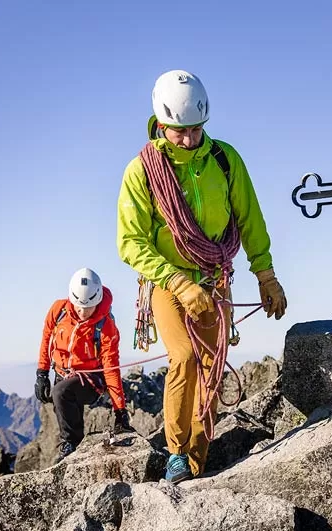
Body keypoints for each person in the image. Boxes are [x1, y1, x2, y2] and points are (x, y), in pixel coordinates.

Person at [117, 69, 287, 485]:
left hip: (214, 278)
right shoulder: (143, 171)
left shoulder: (224, 160)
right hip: (166, 282)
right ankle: (175, 453)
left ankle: (198, 459)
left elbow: (249, 220)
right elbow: (131, 242)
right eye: (180, 132)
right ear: (161, 123)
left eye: (195, 129)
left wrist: (266, 275)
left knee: (212, 368)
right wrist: (177, 282)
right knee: (185, 358)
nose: (189, 138)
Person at [34, 267, 133, 462]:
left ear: (97, 301)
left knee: (61, 393)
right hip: (61, 373)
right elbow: (47, 340)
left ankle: (69, 444)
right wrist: (42, 373)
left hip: (91, 379)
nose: (82, 312)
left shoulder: (106, 326)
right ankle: (76, 447)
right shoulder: (58, 311)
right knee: (64, 405)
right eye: (78, 306)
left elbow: (111, 367)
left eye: (87, 308)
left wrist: (120, 410)